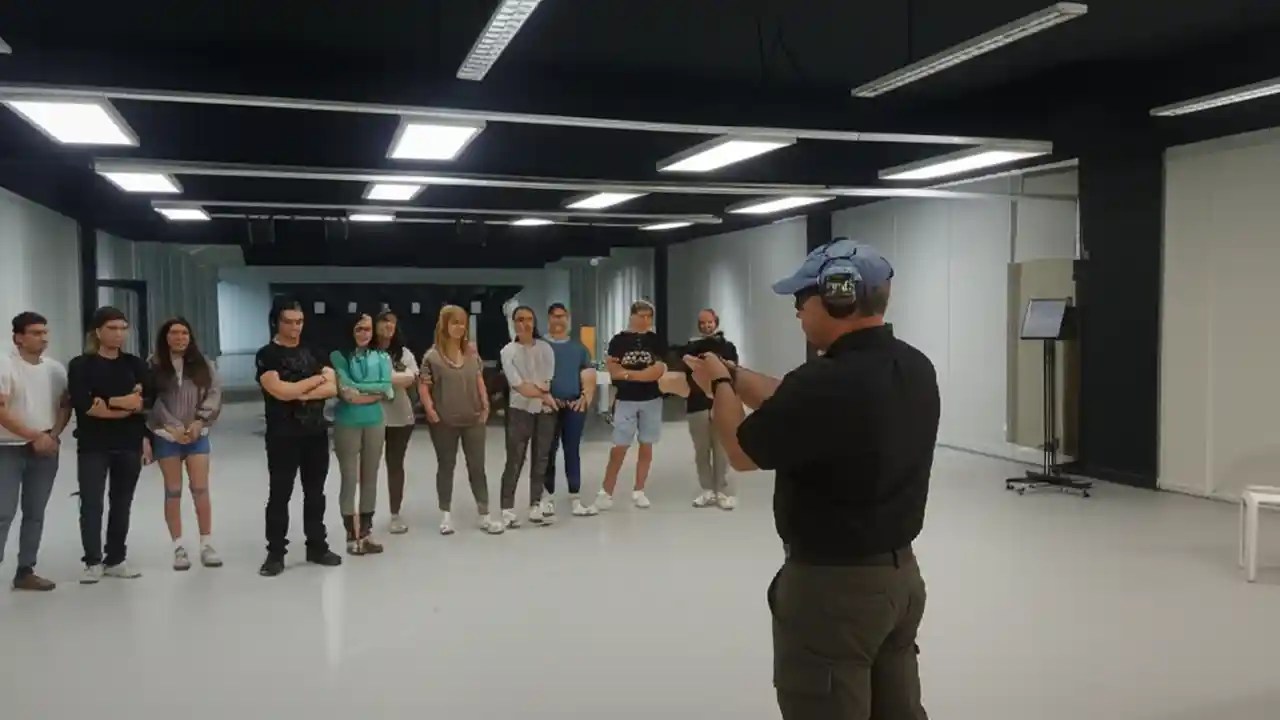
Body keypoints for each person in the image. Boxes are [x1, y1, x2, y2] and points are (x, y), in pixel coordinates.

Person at [684, 239, 938, 720]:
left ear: (837, 297)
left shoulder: (824, 382)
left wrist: (715, 385)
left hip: (833, 593)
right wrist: (734, 374)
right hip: (899, 583)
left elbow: (740, 449)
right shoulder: (913, 366)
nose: (798, 313)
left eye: (802, 301)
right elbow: (791, 403)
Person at [255, 298, 343, 577]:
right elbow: (279, 391)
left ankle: (317, 545)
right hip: (282, 435)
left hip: (315, 433)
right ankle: (275, 553)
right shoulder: (267, 354)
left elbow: (333, 387)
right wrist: (312, 382)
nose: (295, 328)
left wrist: (299, 391)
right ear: (276, 322)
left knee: (315, 493)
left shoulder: (314, 351)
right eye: (289, 322)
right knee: (280, 494)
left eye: (299, 322)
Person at [68, 306, 154, 584]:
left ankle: (115, 558)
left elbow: (146, 402)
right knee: (91, 502)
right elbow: (86, 406)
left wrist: (109, 401)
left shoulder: (135, 364)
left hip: (128, 443)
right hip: (94, 444)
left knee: (122, 502)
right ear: (98, 332)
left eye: (123, 328)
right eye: (112, 328)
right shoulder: (82, 365)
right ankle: (92, 560)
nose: (119, 334)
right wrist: (122, 403)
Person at [0, 312, 69, 591]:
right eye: (36, 333)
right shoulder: (5, 365)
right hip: (7, 449)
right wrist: (33, 435)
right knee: (3, 511)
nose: (43, 338)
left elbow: (65, 405)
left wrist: (51, 436)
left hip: (45, 450)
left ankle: (25, 570)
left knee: (35, 511)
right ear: (18, 337)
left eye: (45, 332)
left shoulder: (55, 369)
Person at [148, 317, 223, 571]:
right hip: (167, 436)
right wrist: (171, 425)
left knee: (200, 488)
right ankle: (178, 547)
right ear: (165, 337)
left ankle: (206, 543)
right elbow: (152, 399)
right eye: (174, 333)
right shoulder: (154, 365)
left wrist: (200, 421)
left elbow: (214, 393)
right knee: (173, 491)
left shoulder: (204, 364)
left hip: (196, 436)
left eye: (184, 333)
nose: (179, 338)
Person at [420, 305, 501, 535]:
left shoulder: (471, 353)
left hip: (473, 418)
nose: (459, 327)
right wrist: (431, 411)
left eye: (462, 322)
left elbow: (478, 380)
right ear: (444, 325)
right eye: (454, 322)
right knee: (446, 466)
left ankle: (484, 513)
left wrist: (486, 405)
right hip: (445, 420)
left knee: (477, 466)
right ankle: (445, 515)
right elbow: (424, 386)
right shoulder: (432, 357)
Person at [331, 312, 393, 556]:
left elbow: (388, 389)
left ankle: (366, 533)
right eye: (359, 329)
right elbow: (346, 392)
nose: (365, 334)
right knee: (349, 478)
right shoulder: (338, 356)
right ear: (350, 330)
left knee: (370, 478)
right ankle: (351, 534)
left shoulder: (382, 356)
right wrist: (375, 391)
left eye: (368, 329)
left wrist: (363, 390)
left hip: (375, 422)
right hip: (347, 422)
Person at [596, 299, 666, 511]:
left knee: (646, 445)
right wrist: (642, 374)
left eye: (649, 317)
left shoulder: (656, 340)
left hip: (651, 399)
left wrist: (629, 374)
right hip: (626, 400)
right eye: (641, 316)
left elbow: (659, 370)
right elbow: (613, 369)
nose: (645, 321)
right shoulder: (619, 341)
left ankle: (639, 490)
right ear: (632, 316)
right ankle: (606, 491)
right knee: (619, 447)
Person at [498, 306, 558, 528]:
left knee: (541, 458)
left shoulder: (545, 349)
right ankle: (507, 508)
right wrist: (546, 396)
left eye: (529, 319)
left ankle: (535, 503)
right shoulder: (508, 351)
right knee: (515, 459)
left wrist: (542, 394)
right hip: (519, 410)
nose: (525, 324)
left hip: (544, 412)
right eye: (520, 319)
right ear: (514, 323)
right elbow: (519, 387)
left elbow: (546, 381)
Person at [540, 303, 598, 518]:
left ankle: (575, 496)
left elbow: (588, 373)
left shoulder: (579, 348)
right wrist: (545, 398)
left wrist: (585, 397)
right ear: (549, 319)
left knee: (572, 450)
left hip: (574, 406)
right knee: (548, 451)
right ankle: (547, 496)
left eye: (563, 316)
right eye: (555, 317)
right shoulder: (541, 346)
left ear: (568, 319)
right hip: (548, 406)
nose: (559, 320)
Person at [681, 308, 739, 510]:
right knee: (701, 449)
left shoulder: (727, 346)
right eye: (703, 323)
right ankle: (707, 489)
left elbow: (734, 369)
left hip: (720, 403)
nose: (706, 326)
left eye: (709, 322)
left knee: (721, 449)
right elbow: (684, 367)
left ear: (716, 322)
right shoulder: (690, 347)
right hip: (696, 404)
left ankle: (721, 490)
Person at [374, 309, 419, 535]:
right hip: (370, 415)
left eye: (392, 323)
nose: (388, 327)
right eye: (384, 322)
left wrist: (380, 379)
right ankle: (364, 516)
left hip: (400, 416)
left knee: (395, 465)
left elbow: (411, 378)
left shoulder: (403, 353)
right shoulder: (365, 351)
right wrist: (392, 378)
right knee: (368, 466)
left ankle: (395, 513)